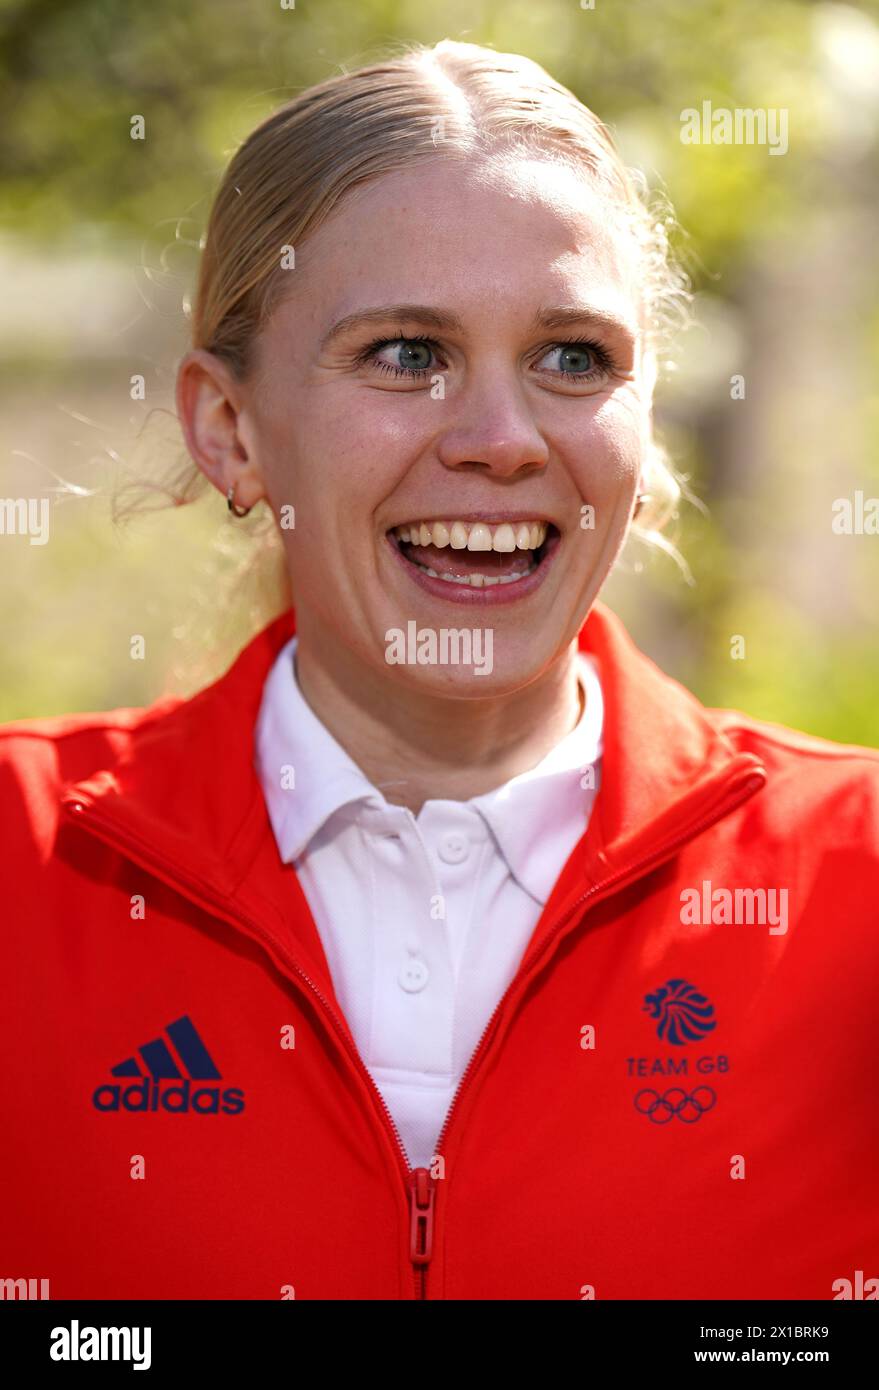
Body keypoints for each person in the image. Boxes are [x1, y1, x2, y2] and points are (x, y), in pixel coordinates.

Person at [1, 38, 877, 1302]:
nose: (501, 441)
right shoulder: (29, 865)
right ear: (231, 430)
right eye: (407, 354)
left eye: (573, 358)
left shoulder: (856, 885)